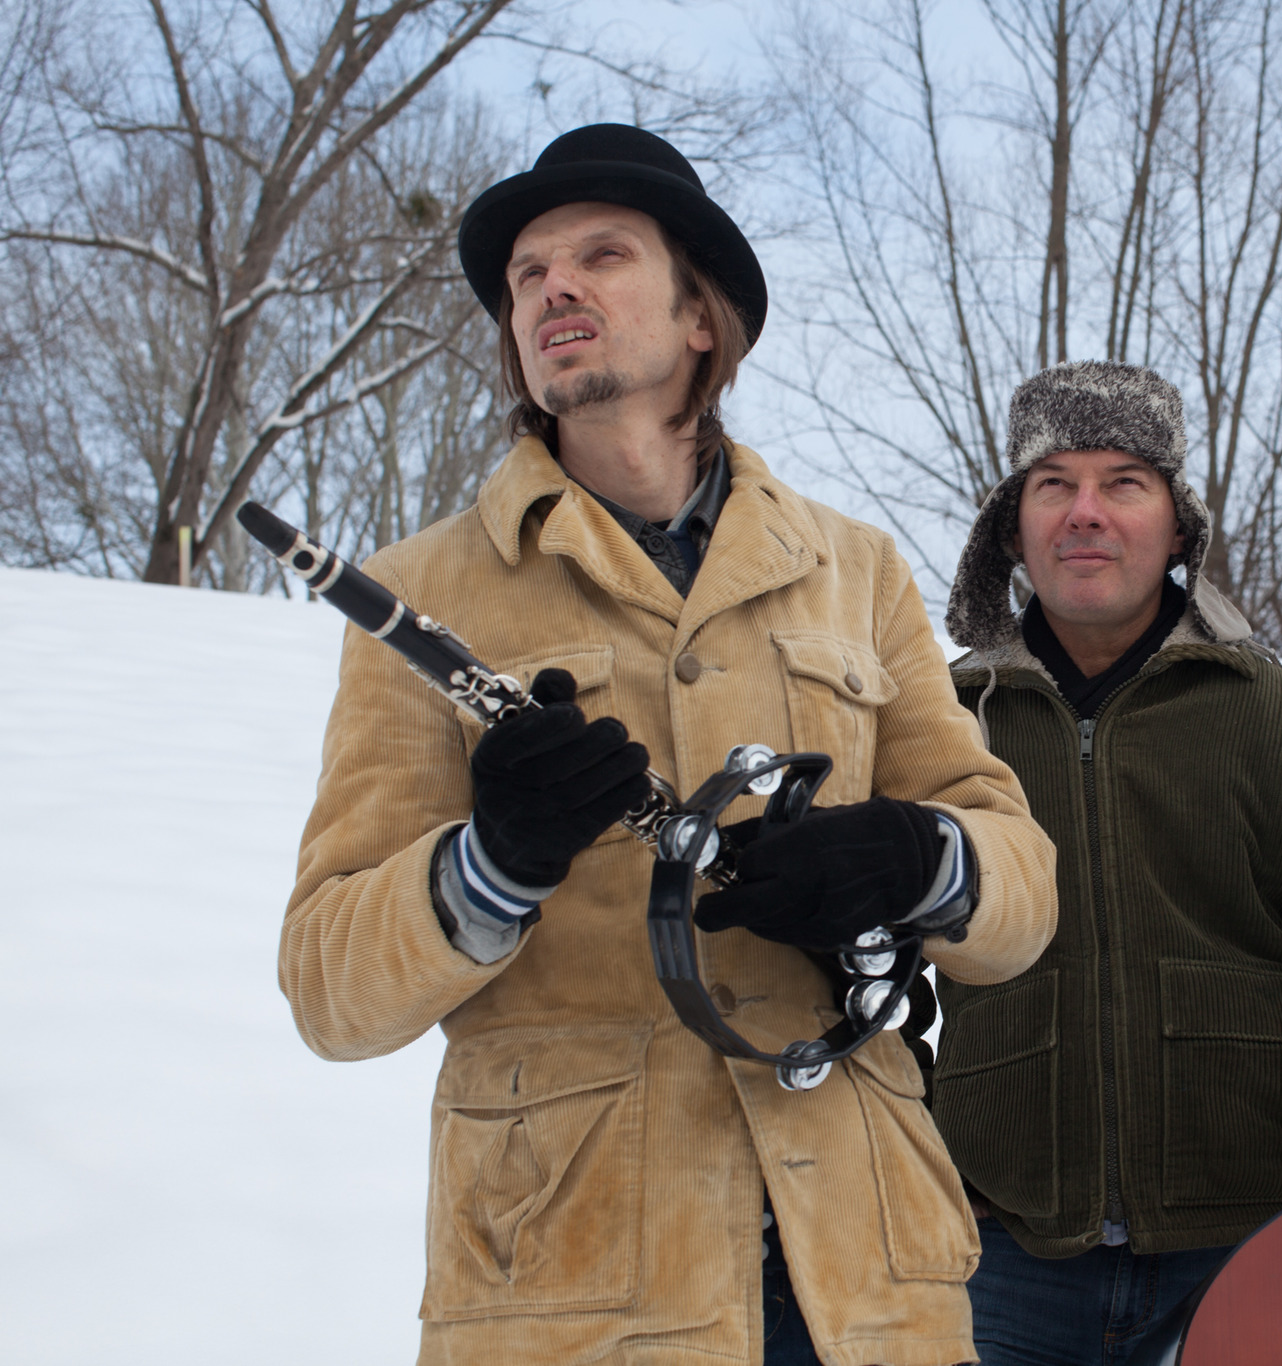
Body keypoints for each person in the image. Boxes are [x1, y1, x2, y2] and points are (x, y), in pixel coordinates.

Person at [276, 124, 1056, 1366]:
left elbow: (1021, 894)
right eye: (527, 275)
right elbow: (329, 988)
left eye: (600, 255)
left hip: (867, 1276)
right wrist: (491, 863)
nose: (553, 289)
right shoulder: (415, 590)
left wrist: (925, 855)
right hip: (572, 1281)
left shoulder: (852, 567)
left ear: (702, 318)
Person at [933, 361, 1282, 1364]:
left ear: (1178, 527)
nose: (1083, 514)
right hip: (1001, 1248)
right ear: (1012, 525)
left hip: (1252, 1241)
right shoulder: (938, 729)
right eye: (1051, 484)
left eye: (1123, 483)